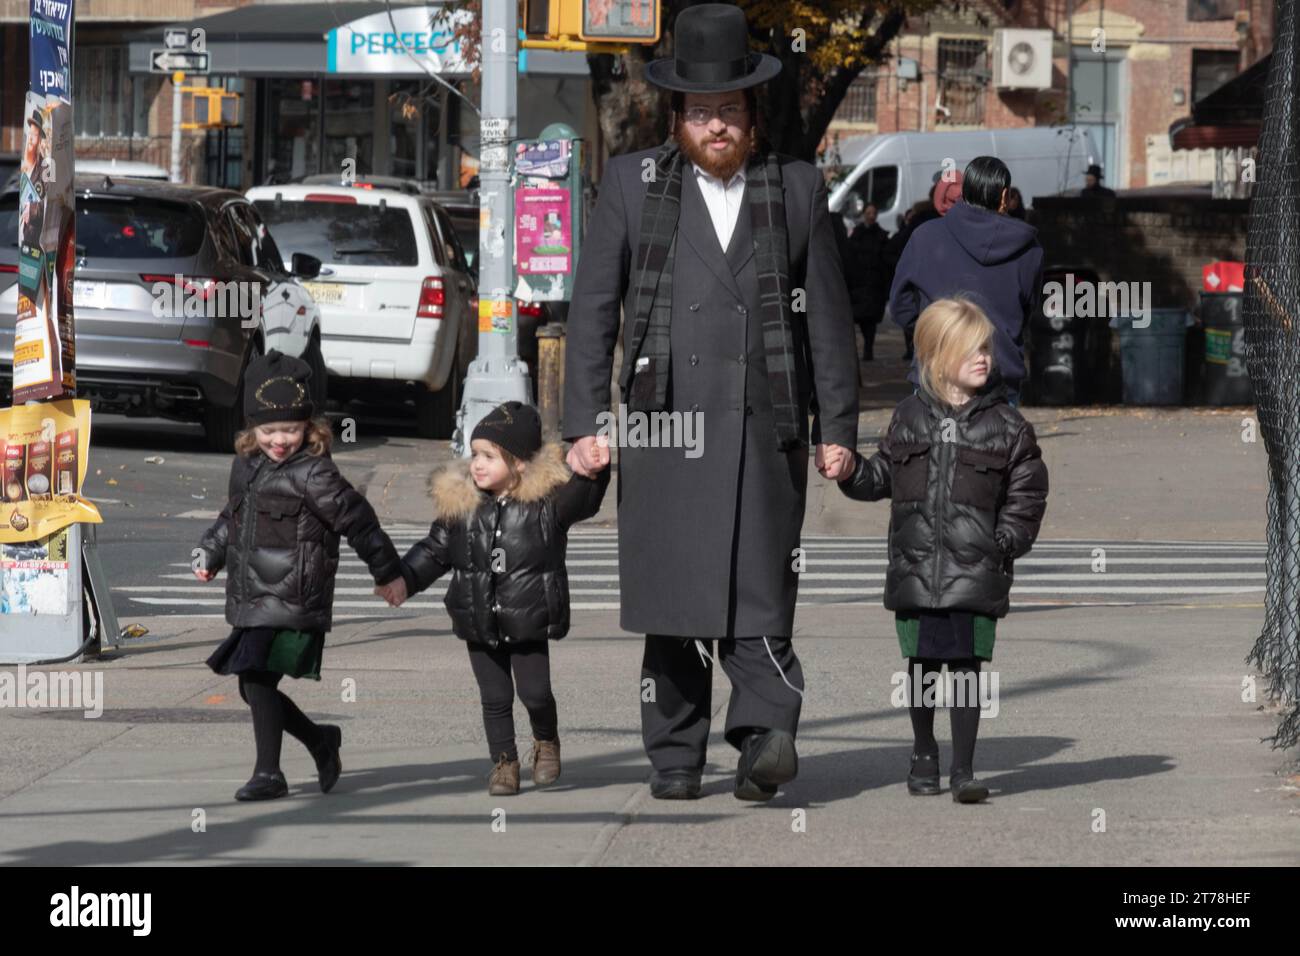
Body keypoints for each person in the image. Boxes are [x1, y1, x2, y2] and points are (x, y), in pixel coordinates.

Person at [562, 3, 859, 802]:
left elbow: (828, 321)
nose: (717, 126)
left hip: (768, 431)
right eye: (702, 113)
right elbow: (592, 312)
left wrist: (839, 430)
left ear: (750, 115)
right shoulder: (632, 182)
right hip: (664, 425)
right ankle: (674, 757)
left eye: (730, 110)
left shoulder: (796, 187)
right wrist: (585, 427)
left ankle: (766, 735)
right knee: (675, 599)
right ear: (677, 116)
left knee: (761, 592)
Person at [838, 297, 1048, 802]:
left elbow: (1028, 492)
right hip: (915, 571)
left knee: (968, 669)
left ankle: (964, 769)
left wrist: (1005, 542)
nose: (983, 358)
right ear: (937, 355)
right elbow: (881, 475)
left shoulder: (1008, 426)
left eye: (986, 349)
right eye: (969, 349)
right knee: (923, 667)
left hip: (974, 572)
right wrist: (848, 472)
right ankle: (924, 751)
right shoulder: (909, 416)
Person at [195, 351, 405, 801]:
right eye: (269, 430)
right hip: (253, 595)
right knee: (253, 688)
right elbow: (233, 517)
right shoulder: (247, 466)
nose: (279, 440)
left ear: (310, 427)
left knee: (255, 679)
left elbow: (360, 521)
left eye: (291, 429)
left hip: (294, 598)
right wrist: (209, 551)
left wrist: (389, 573)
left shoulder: (315, 473)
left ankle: (269, 774)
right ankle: (319, 740)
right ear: (252, 428)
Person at [378, 402, 610, 796]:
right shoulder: (462, 505)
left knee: (534, 694)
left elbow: (582, 501)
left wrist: (590, 472)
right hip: (478, 617)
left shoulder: (546, 505)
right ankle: (504, 763)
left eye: (489, 456)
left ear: (519, 464)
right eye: (475, 455)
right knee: (495, 698)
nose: (478, 465)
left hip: (528, 618)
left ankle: (546, 740)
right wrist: (403, 579)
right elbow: (435, 550)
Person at [888, 156, 1044, 407]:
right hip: (999, 369)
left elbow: (900, 306)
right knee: (997, 446)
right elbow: (1028, 309)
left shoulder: (925, 236)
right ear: (1004, 197)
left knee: (933, 446)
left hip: (937, 368)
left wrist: (936, 333)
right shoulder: (1029, 249)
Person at [847, 202, 893, 361]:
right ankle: (867, 346)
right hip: (859, 283)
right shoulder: (857, 234)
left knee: (871, 320)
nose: (871, 216)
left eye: (873, 213)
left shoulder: (881, 236)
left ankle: (868, 348)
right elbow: (850, 257)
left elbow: (886, 261)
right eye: (868, 213)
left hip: (874, 284)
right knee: (861, 317)